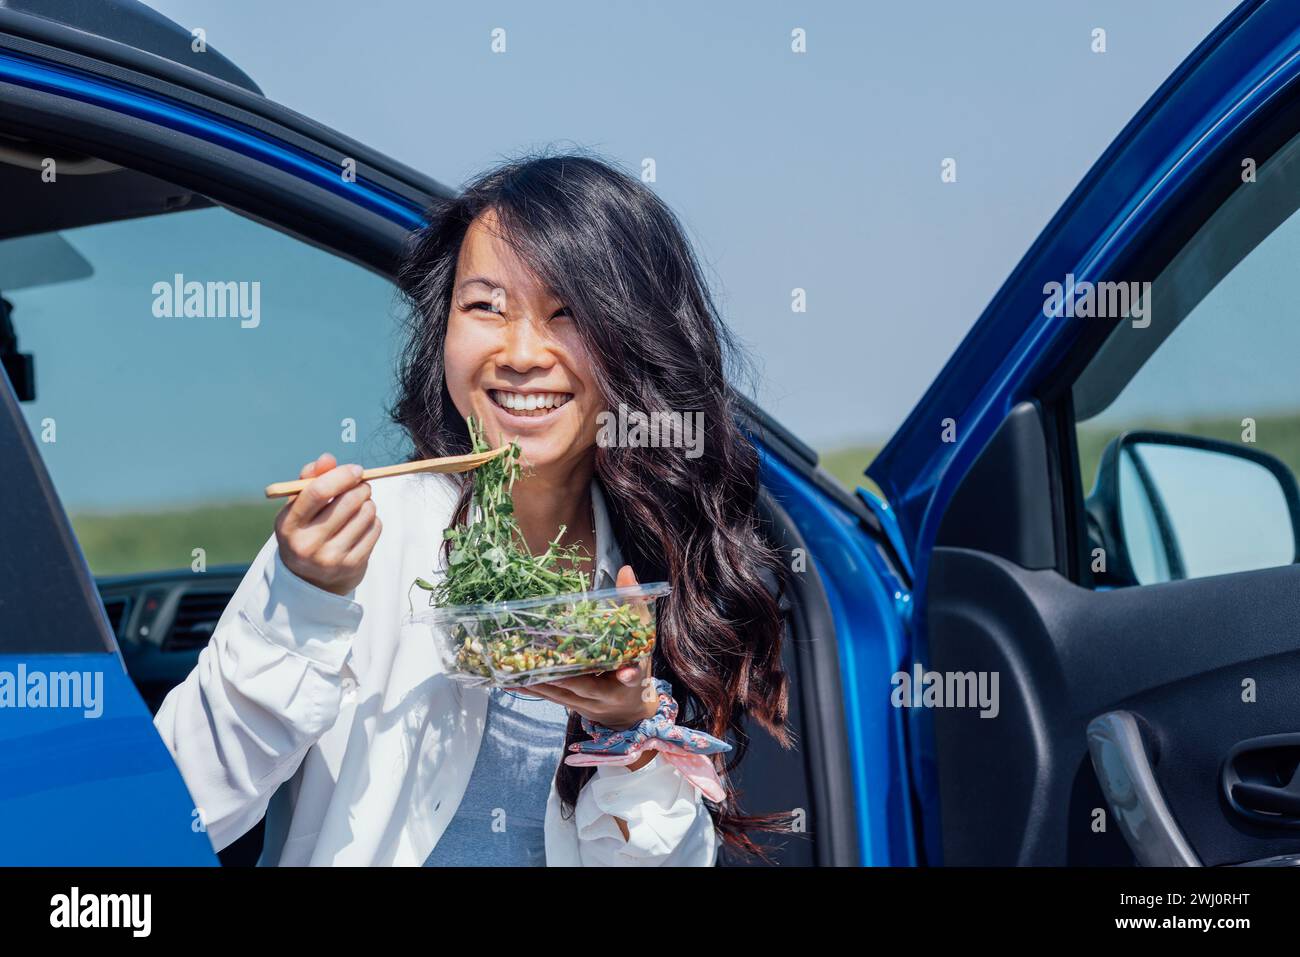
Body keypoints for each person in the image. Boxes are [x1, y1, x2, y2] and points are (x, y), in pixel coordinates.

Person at [154, 152, 791, 866]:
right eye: (486, 305)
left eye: (567, 313)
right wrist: (304, 601)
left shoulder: (652, 561)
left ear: (635, 336)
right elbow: (176, 809)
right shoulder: (360, 538)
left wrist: (628, 736)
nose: (520, 352)